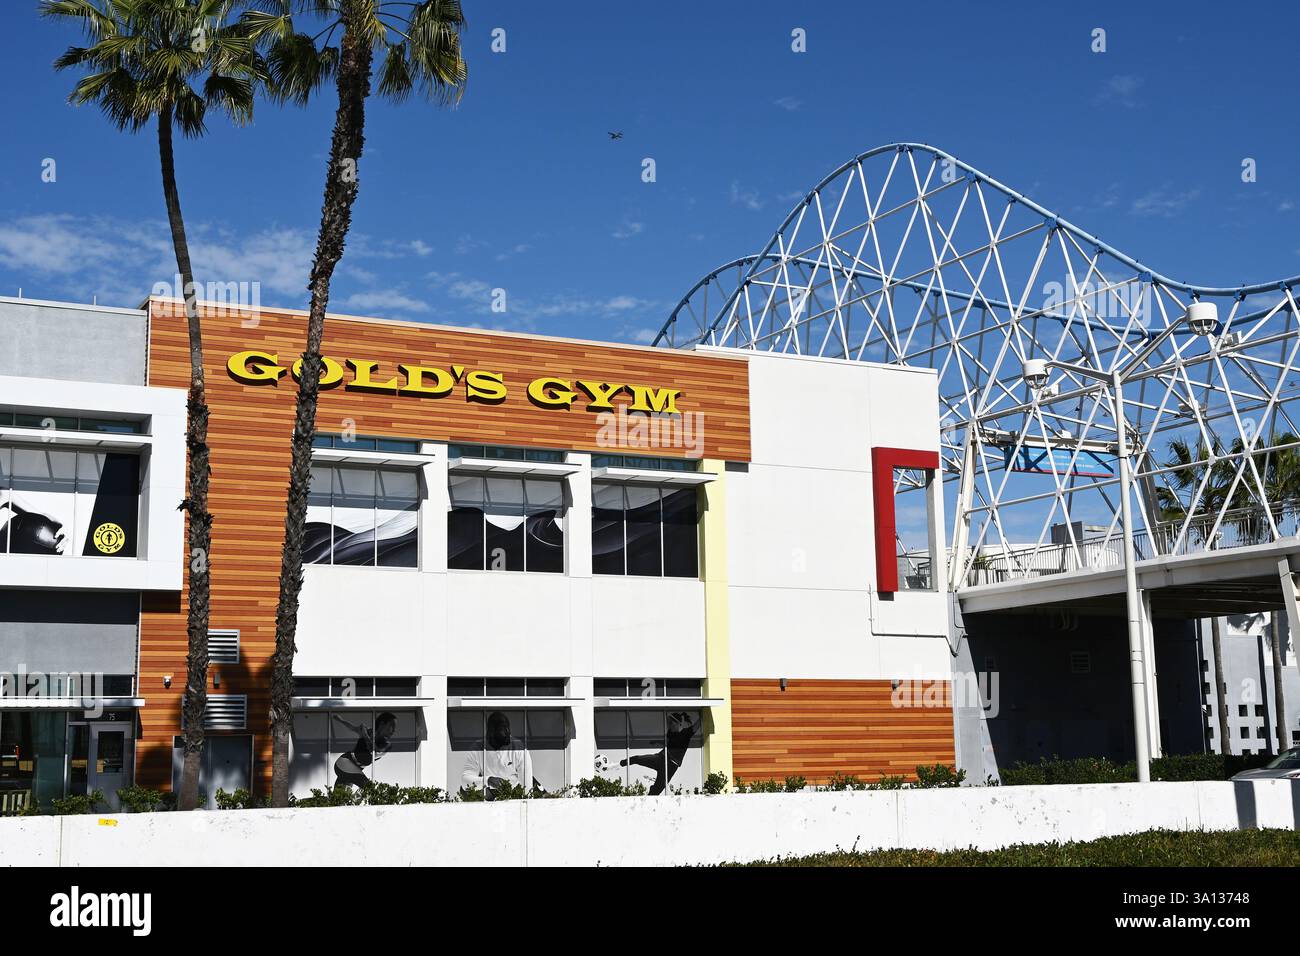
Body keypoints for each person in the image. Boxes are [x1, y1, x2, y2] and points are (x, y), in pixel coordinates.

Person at [621, 711, 699, 795]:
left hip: (671, 767)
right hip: (661, 758)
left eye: (671, 724)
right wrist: (657, 741)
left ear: (678, 723)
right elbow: (669, 743)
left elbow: (696, 726)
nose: (670, 727)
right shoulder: (671, 732)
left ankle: (650, 800)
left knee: (656, 790)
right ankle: (620, 763)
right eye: (669, 724)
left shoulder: (686, 733)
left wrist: (702, 714)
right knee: (638, 759)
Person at [461, 711, 533, 798]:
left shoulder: (519, 748)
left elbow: (527, 788)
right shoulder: (477, 748)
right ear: (489, 734)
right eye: (499, 743)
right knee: (465, 792)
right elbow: (465, 782)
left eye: (507, 739)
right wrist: (488, 780)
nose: (503, 748)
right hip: (487, 792)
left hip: (514, 792)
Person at [332, 712, 397, 789]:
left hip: (353, 769)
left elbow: (375, 752)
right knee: (368, 788)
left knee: (342, 795)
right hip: (345, 762)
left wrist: (365, 735)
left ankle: (352, 800)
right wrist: (340, 720)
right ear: (382, 724)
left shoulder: (386, 745)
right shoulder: (368, 731)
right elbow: (352, 727)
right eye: (391, 726)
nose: (394, 730)